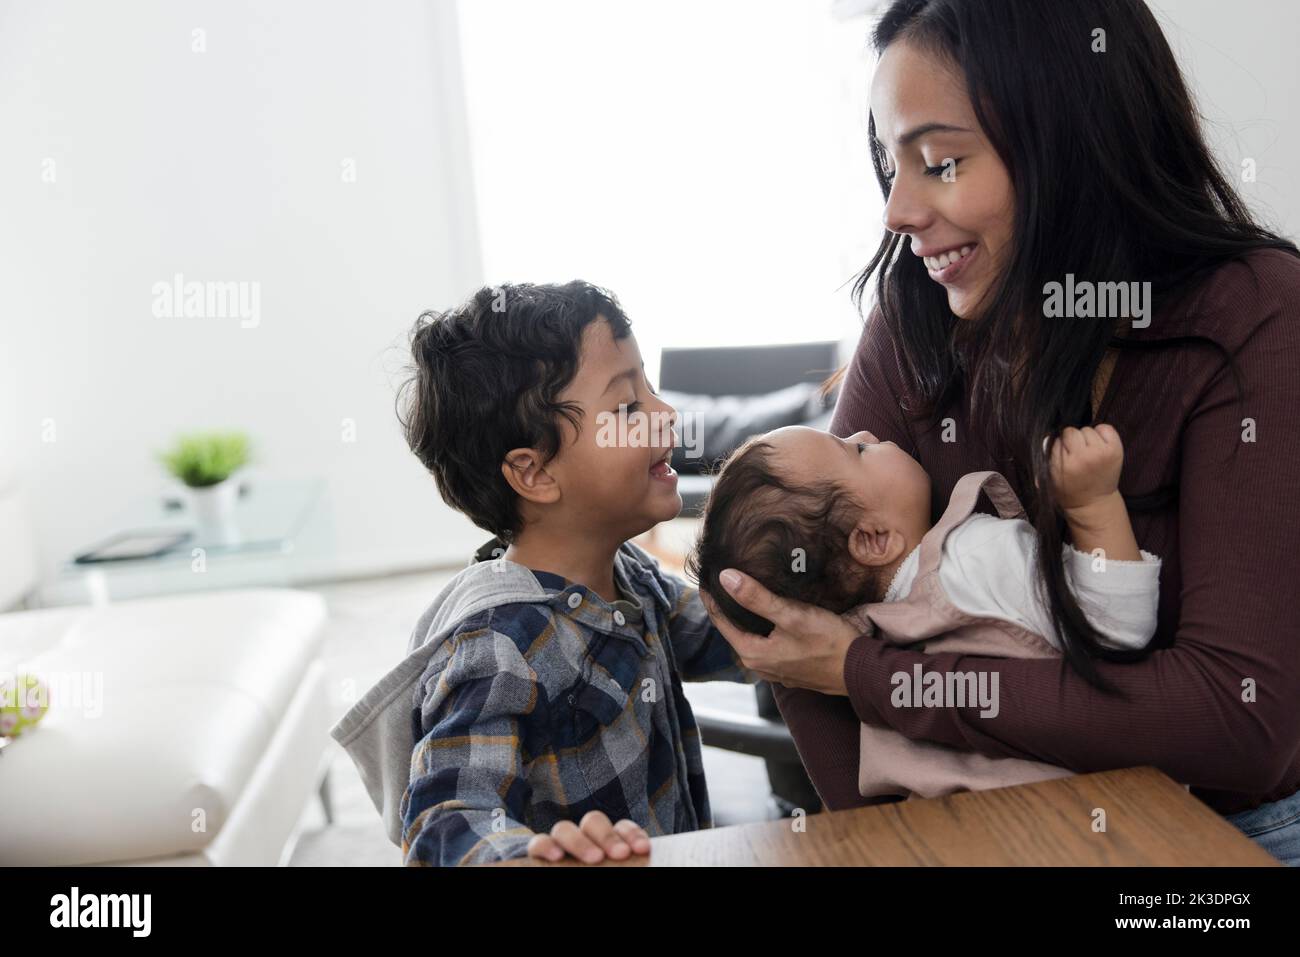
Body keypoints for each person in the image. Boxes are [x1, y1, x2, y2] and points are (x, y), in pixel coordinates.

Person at [704, 0, 1300, 865]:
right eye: (889, 163)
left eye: (939, 162)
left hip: (1223, 843)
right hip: (973, 836)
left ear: (1065, 140)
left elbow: (1236, 725)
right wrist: (899, 842)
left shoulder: (1250, 314)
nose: (897, 210)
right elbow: (796, 633)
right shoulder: (913, 318)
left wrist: (875, 676)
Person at [330, 281, 752, 866]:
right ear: (534, 474)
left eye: (649, 388)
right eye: (628, 407)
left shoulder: (628, 574)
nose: (666, 413)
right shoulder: (499, 644)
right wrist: (524, 855)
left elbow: (728, 633)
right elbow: (443, 822)